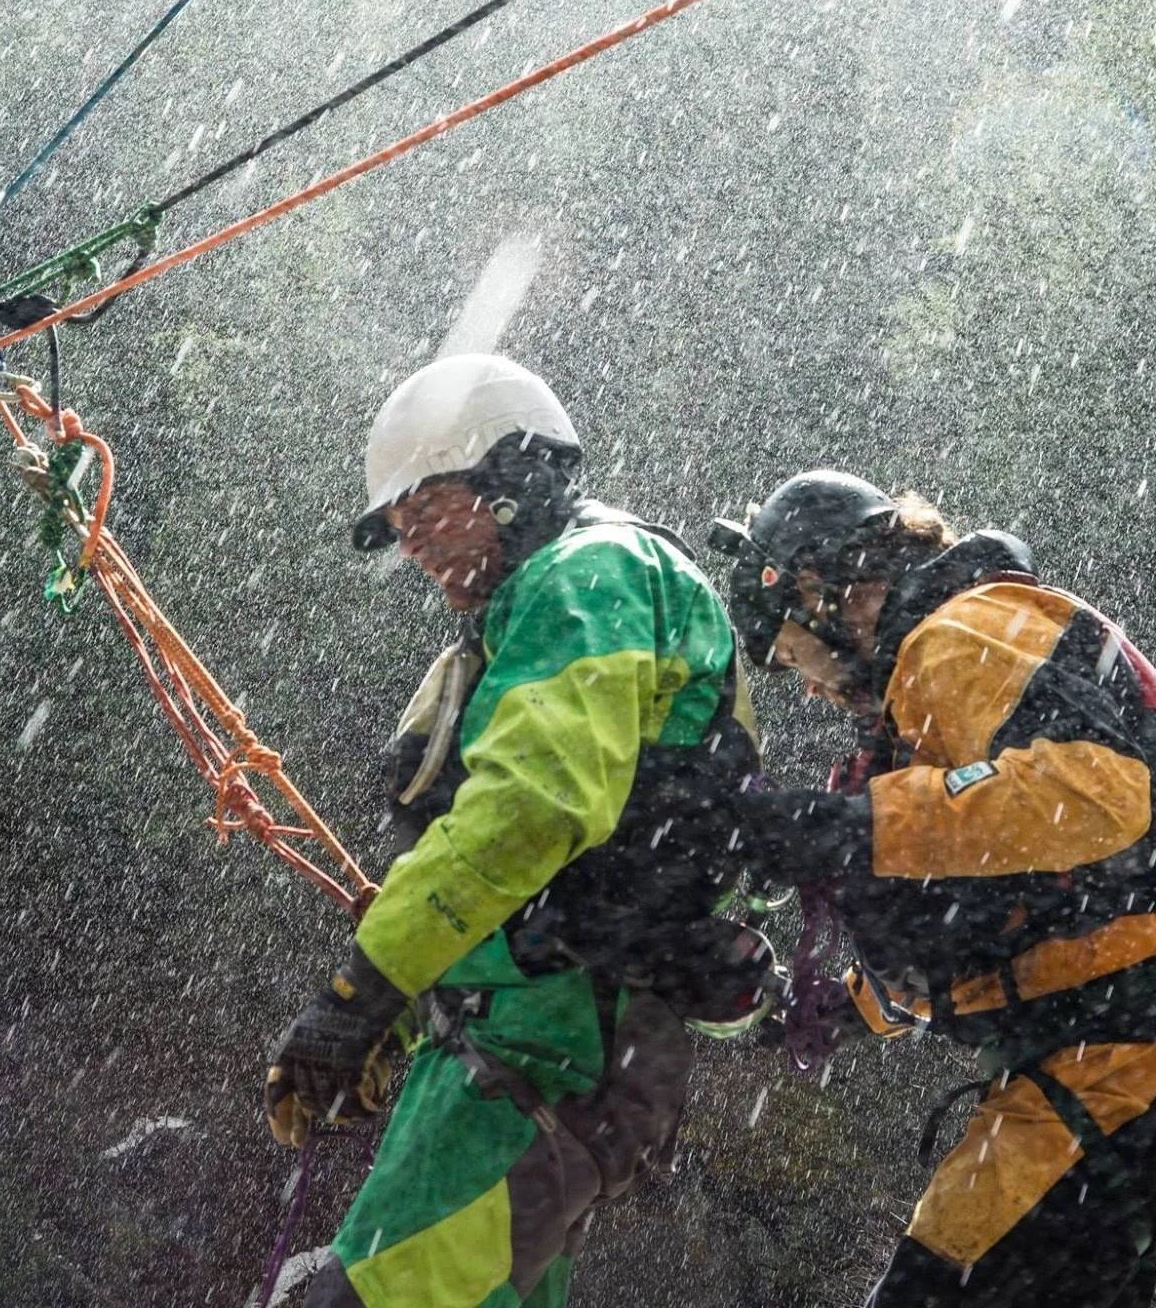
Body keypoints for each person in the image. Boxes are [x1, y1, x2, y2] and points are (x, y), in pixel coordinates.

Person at [264, 353, 775, 1307]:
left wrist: (365, 992)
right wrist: (398, 1010)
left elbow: (531, 812)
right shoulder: (527, 614)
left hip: (553, 1035)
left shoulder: (595, 573)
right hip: (521, 1036)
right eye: (400, 531)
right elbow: (494, 849)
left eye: (425, 513)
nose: (414, 549)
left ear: (509, 481)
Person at [706, 469, 1156, 1307]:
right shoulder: (966, 644)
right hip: (1116, 1046)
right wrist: (839, 1010)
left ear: (821, 589)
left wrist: (847, 825)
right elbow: (997, 904)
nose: (809, 686)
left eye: (791, 654)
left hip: (1136, 1047)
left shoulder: (957, 633)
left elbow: (1101, 793)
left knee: (938, 1284)